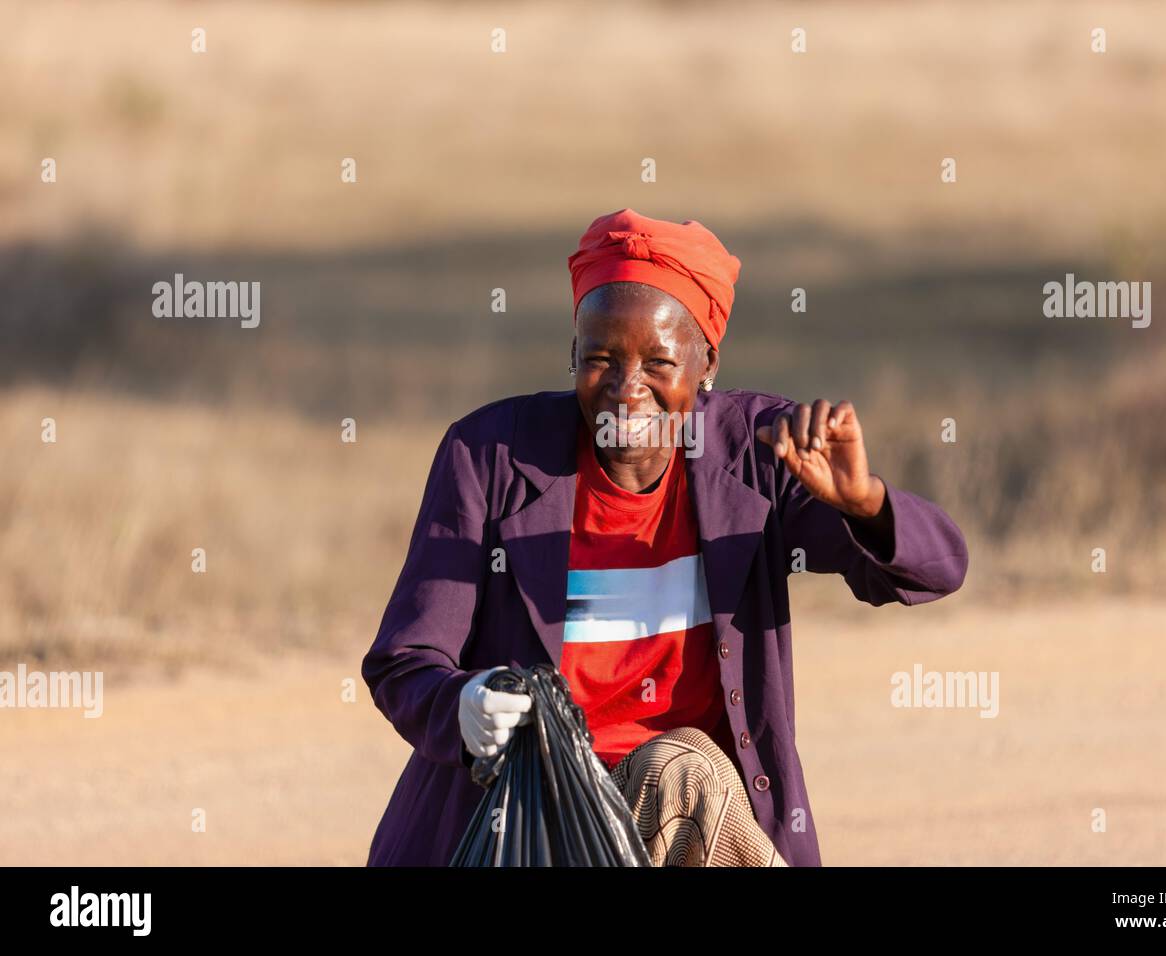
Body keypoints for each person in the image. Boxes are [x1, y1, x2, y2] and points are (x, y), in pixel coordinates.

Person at [362, 208, 968, 866]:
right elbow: (404, 664)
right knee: (689, 772)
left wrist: (864, 503)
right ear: (571, 352)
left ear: (707, 362)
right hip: (530, 827)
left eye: (659, 361)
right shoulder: (490, 457)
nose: (627, 389)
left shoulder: (760, 454)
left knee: (684, 771)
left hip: (679, 826)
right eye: (600, 358)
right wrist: (464, 705)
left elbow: (938, 570)